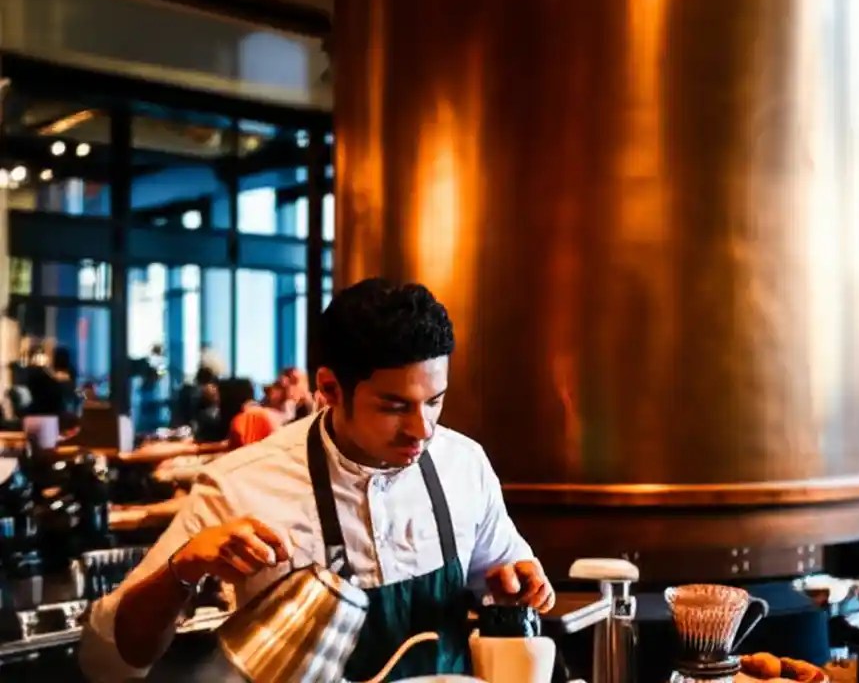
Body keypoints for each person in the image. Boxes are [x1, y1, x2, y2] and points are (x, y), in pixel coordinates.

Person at [80, 278, 553, 681]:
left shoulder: (464, 464)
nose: (422, 429)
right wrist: (183, 569)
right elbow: (113, 660)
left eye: (434, 401)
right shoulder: (241, 484)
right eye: (393, 406)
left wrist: (520, 583)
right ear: (329, 388)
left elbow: (503, 572)